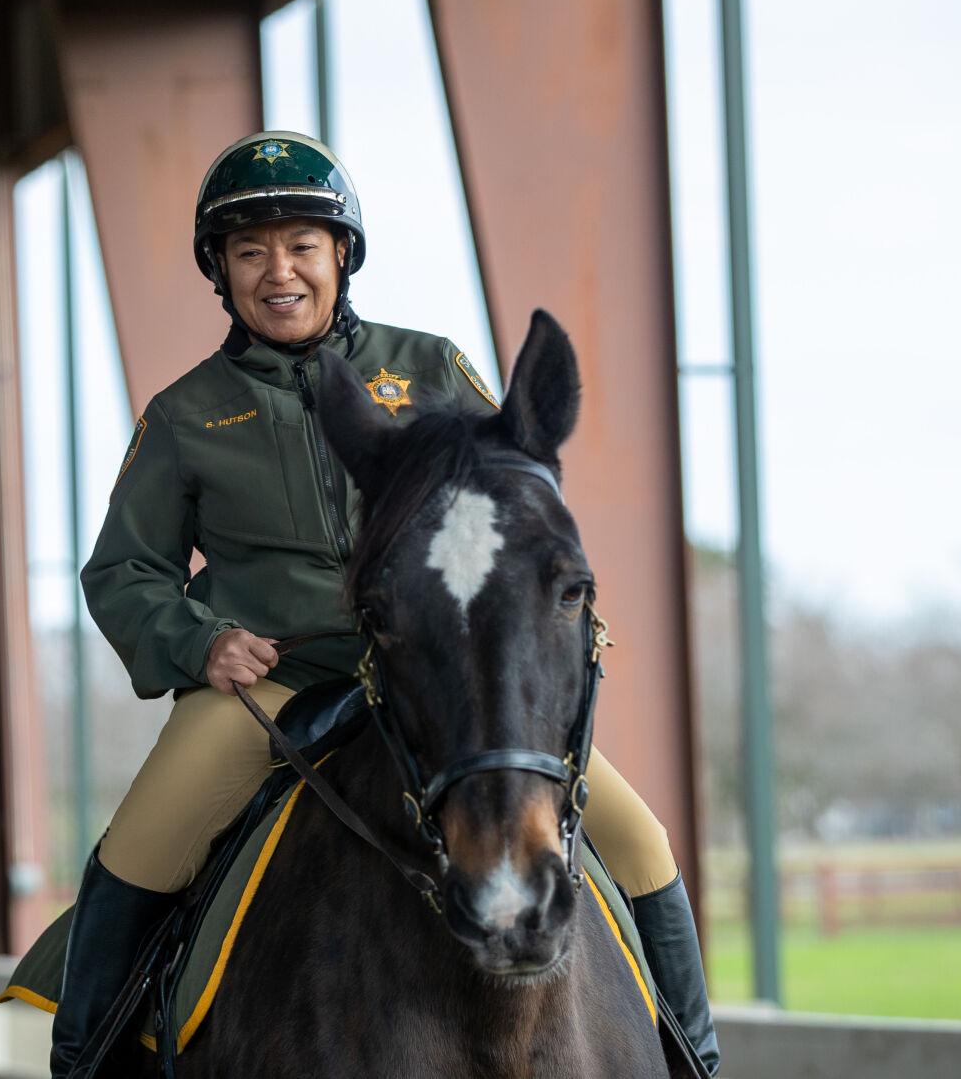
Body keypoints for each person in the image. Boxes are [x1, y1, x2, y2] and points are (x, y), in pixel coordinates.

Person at [53, 130, 719, 1076]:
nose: (277, 272)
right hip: (268, 691)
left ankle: (697, 1057)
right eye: (249, 253)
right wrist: (199, 642)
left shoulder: (435, 366)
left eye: (300, 248)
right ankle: (81, 1062)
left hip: (438, 681)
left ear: (340, 258)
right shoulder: (185, 414)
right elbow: (122, 571)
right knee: (138, 849)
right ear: (222, 273)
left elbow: (517, 499)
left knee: (639, 838)